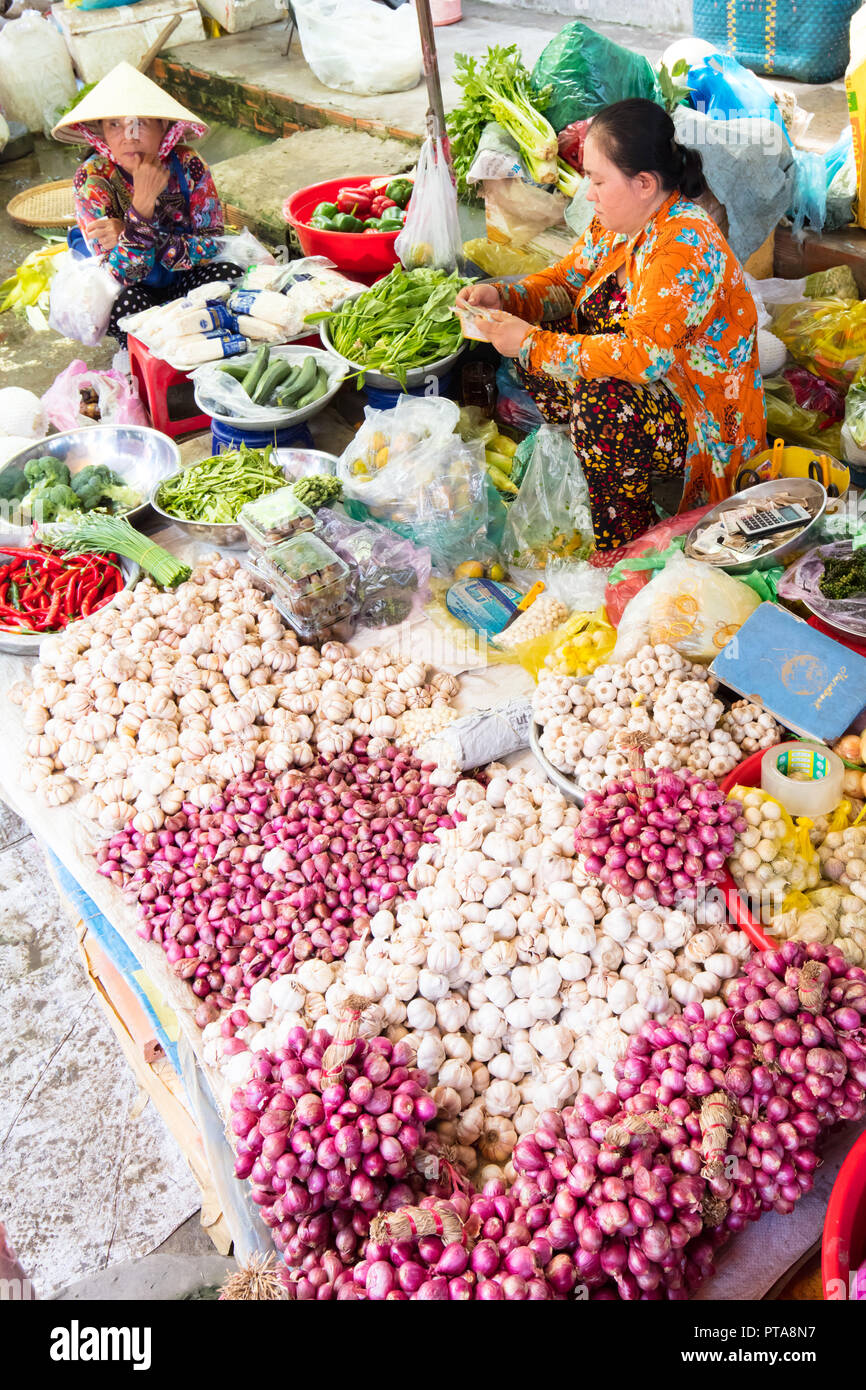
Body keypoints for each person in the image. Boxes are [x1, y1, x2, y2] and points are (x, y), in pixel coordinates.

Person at [456, 98, 767, 552]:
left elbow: (645, 358)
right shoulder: (618, 223)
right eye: (588, 179)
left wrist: (531, 344)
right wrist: (507, 297)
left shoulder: (685, 247)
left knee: (598, 399)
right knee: (542, 332)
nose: (590, 194)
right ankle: (591, 459)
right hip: (649, 386)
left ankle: (627, 544)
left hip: (696, 410)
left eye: (599, 181)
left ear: (644, 183)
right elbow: (564, 279)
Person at [52, 62, 240, 347]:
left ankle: (203, 343)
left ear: (163, 125)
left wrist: (132, 233)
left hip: (187, 281)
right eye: (115, 124)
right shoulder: (92, 180)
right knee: (121, 307)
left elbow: (213, 246)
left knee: (230, 277)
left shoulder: (190, 166)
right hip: (136, 291)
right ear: (101, 131)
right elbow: (118, 274)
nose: (129, 137)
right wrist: (141, 208)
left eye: (141, 123)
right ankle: (150, 359)